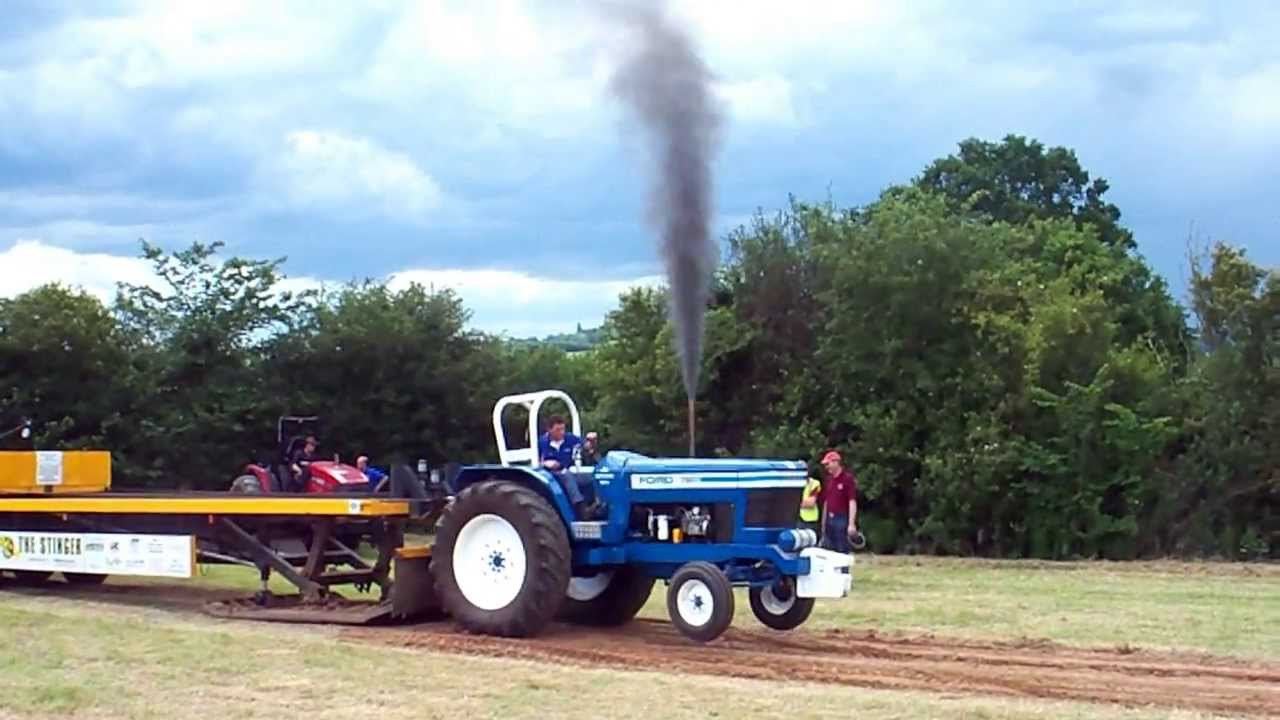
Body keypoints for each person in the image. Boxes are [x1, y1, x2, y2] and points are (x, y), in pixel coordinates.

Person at [538, 415, 605, 519]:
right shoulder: (542, 442)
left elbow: (584, 445)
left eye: (563, 429)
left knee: (593, 476)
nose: (561, 432)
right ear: (549, 430)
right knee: (567, 475)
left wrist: (590, 442)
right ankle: (581, 508)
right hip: (550, 475)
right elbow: (537, 461)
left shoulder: (569, 438)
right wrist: (545, 463)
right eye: (558, 430)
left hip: (567, 471)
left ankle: (599, 504)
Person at [818, 450, 859, 553]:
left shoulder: (847, 479)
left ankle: (844, 569)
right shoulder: (829, 480)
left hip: (841, 518)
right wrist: (823, 522)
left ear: (836, 462)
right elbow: (826, 502)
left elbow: (852, 501)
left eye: (828, 464)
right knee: (830, 550)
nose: (827, 467)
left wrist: (851, 523)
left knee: (842, 549)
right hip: (829, 519)